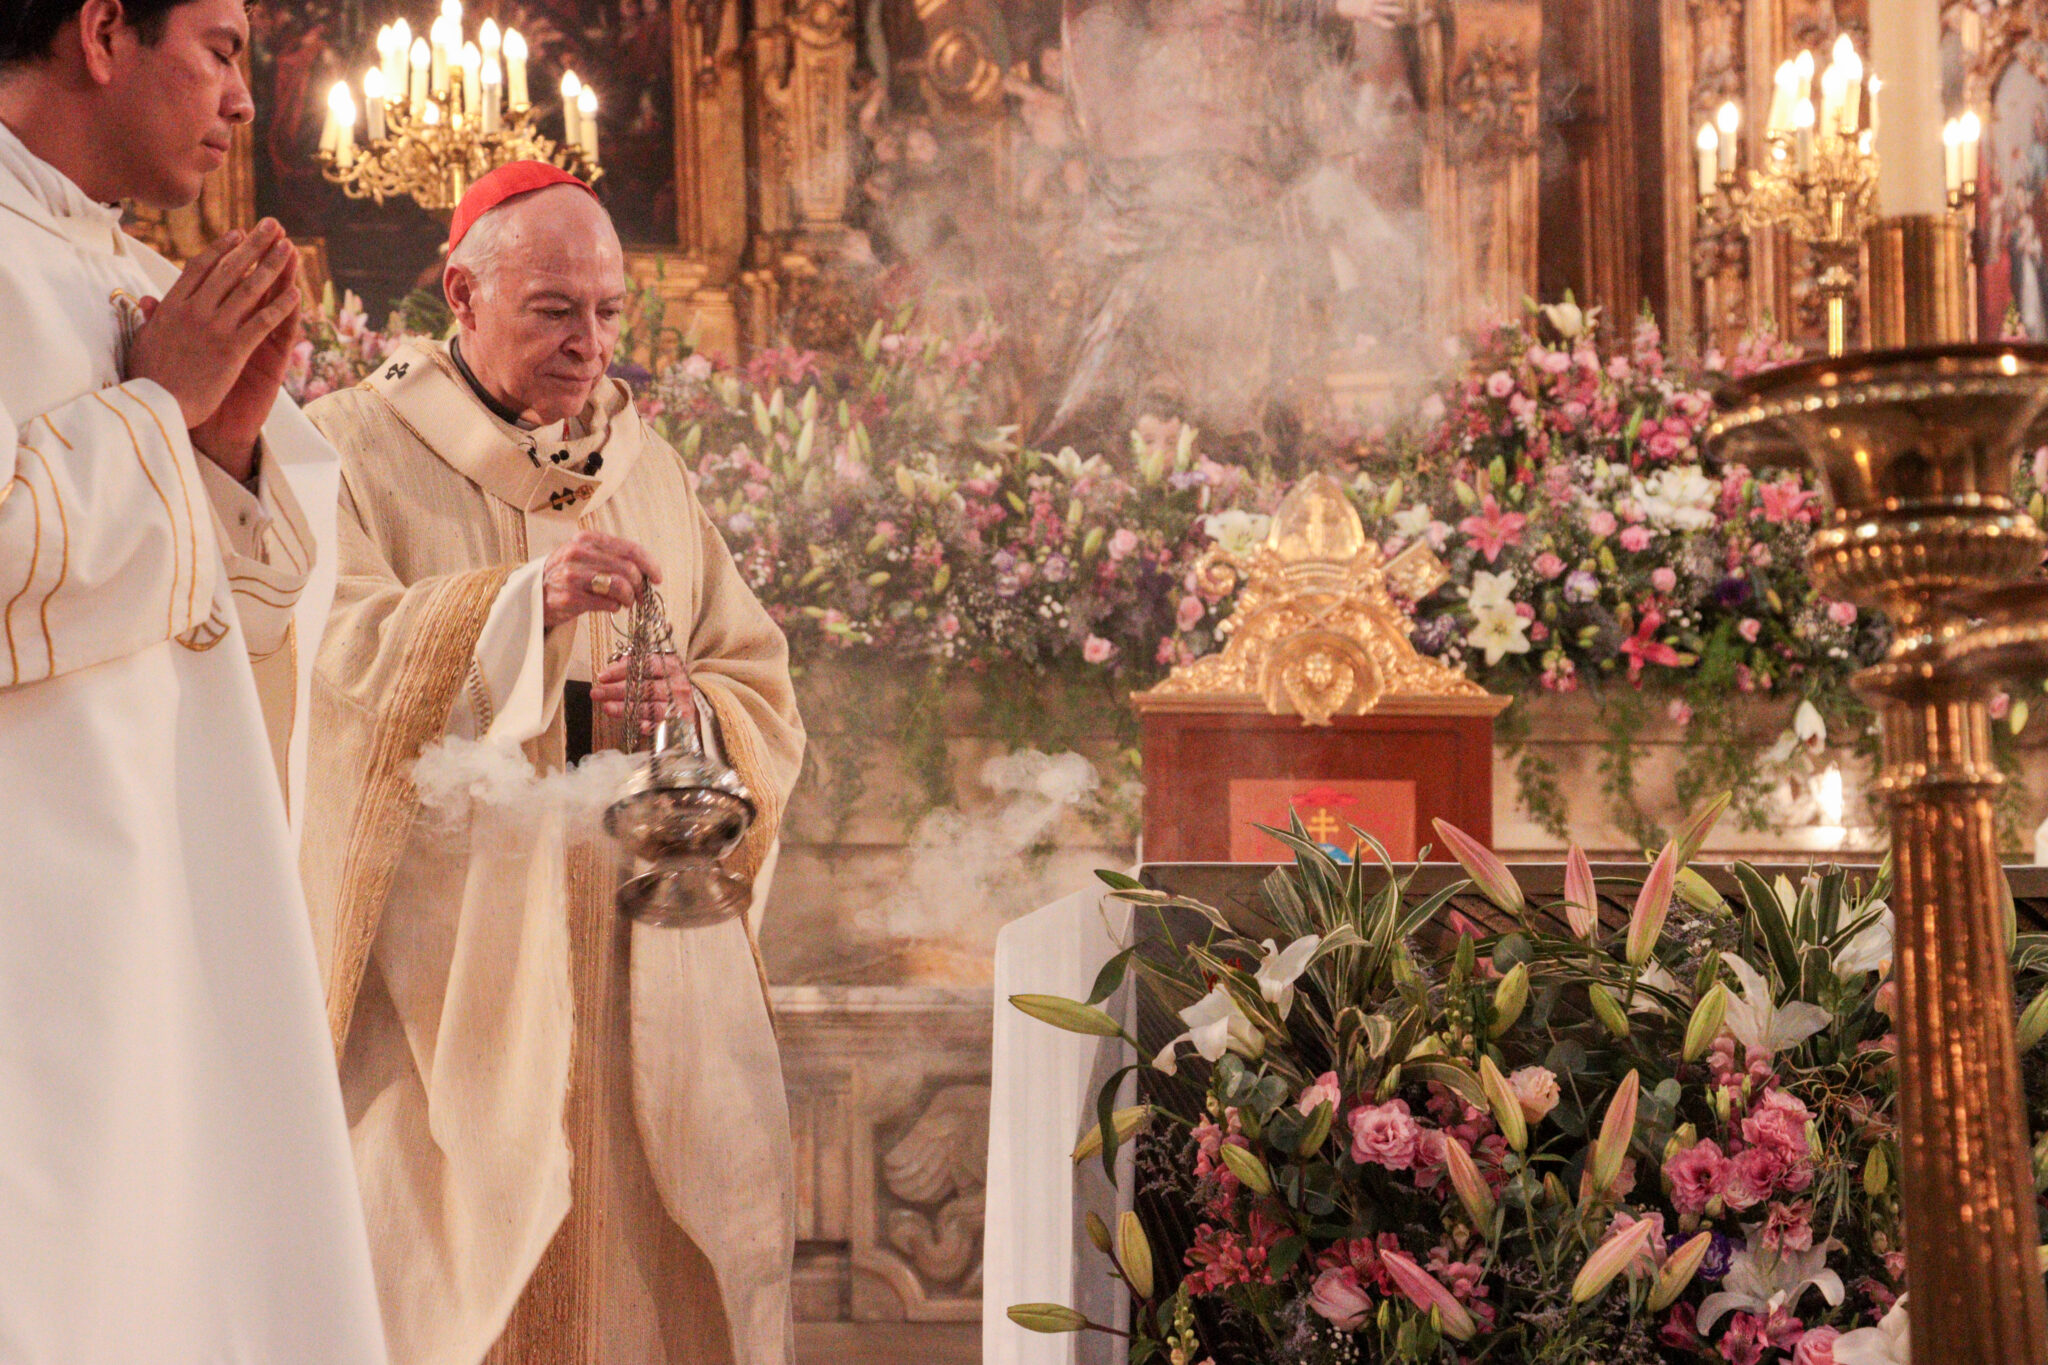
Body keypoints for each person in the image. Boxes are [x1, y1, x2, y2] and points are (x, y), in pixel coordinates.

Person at [301, 161, 805, 1365]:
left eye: (609, 312)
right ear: (460, 297)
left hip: (632, 988)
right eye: (553, 311)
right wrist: (517, 612)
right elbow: (323, 672)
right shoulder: (348, 451)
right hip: (445, 991)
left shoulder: (646, 470)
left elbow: (759, 686)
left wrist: (688, 717)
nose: (590, 346)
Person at [0, 0, 389, 1358]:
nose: (248, 100)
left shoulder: (110, 270)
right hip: (37, 933)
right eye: (223, 50)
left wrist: (220, 456)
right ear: (105, 32)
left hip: (167, 902)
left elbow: (247, 609)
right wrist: (155, 411)